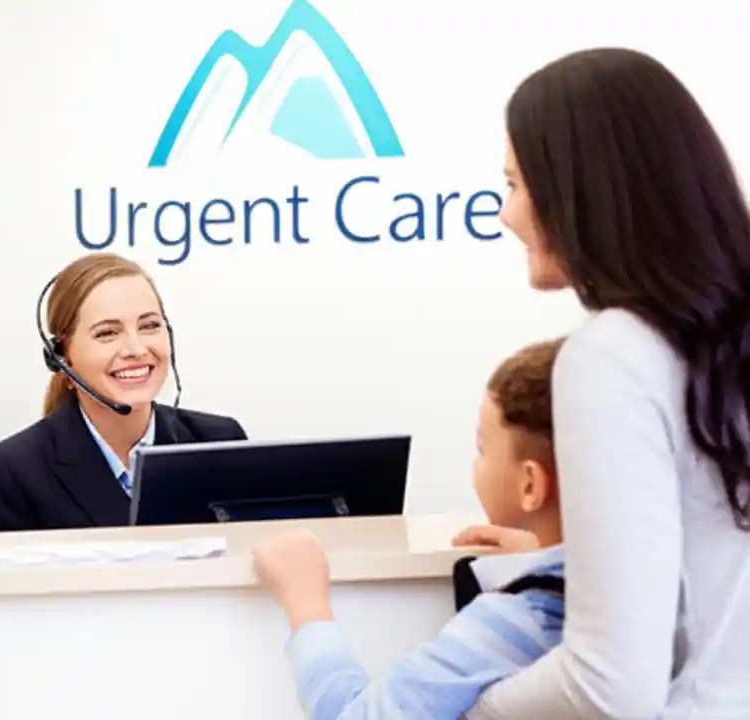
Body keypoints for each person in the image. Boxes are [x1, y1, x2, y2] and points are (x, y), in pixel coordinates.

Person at [464, 47, 750, 718]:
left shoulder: (615, 354)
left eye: (514, 185)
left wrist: (472, 712)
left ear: (576, 190)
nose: (506, 215)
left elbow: (608, 685)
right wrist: (566, 565)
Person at [253, 337, 566, 719]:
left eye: (482, 447)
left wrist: (306, 603)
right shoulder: (625, 597)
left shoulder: (519, 622)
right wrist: (545, 552)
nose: (477, 461)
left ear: (530, 485)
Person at [0, 252, 246, 531]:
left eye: (149, 325)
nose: (136, 349)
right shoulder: (12, 471)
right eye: (107, 333)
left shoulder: (221, 443)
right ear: (62, 356)